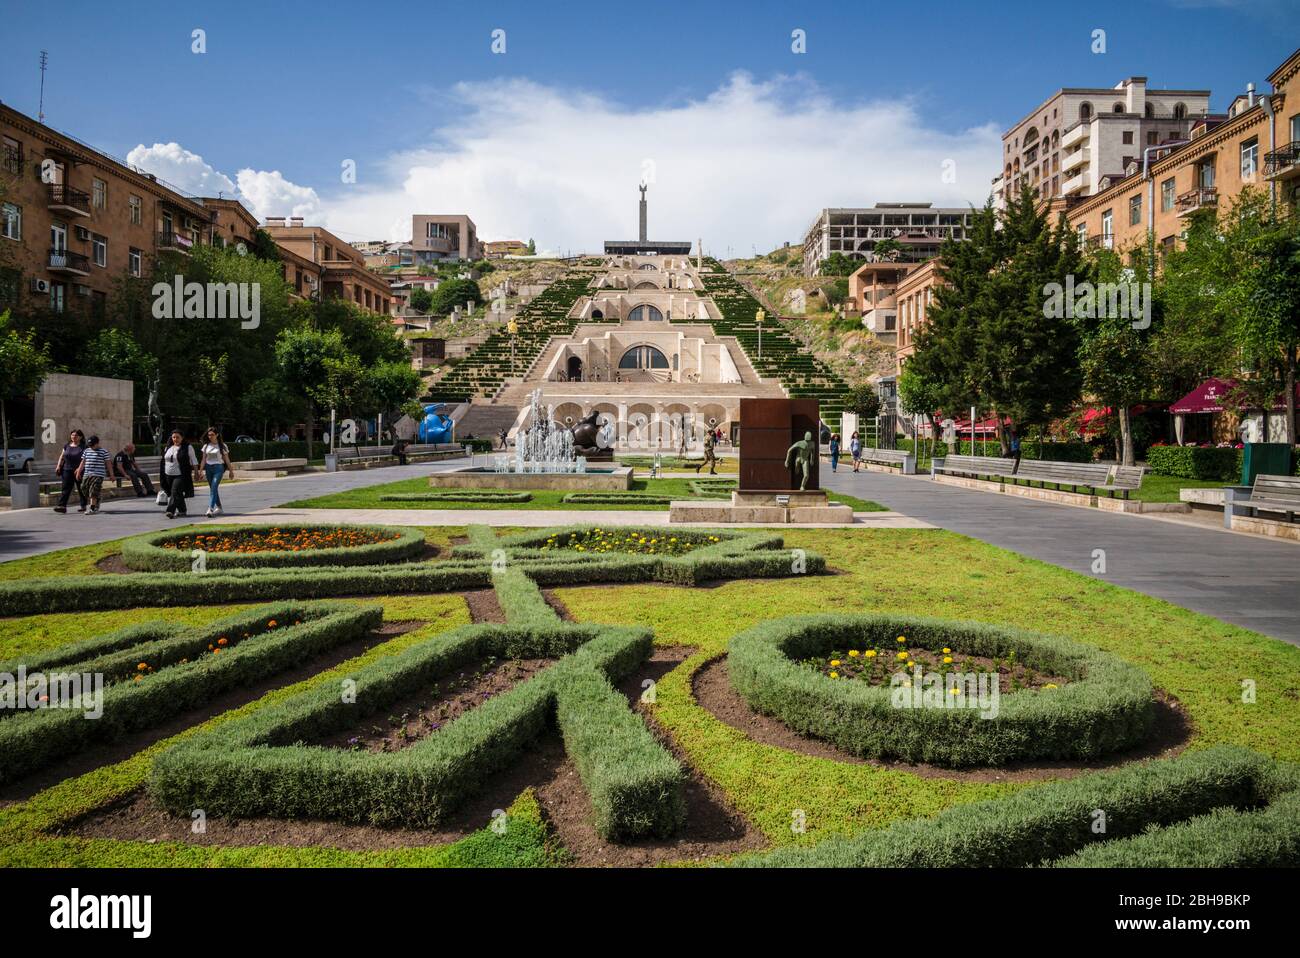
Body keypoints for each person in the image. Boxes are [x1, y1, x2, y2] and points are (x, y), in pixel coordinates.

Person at [160, 430, 198, 519]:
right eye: (173, 437)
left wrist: (196, 472)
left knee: (175, 491)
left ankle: (170, 510)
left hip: (180, 474)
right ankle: (182, 510)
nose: (175, 439)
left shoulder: (188, 447)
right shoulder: (168, 447)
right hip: (168, 474)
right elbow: (163, 461)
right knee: (177, 493)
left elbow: (194, 460)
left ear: (182, 438)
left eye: (177, 437)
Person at [199, 428, 235, 517]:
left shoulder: (222, 446)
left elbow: (226, 459)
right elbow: (203, 459)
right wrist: (200, 471)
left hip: (218, 468)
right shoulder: (206, 446)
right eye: (209, 435)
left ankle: (210, 508)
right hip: (208, 468)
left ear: (217, 435)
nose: (210, 436)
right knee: (213, 489)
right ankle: (219, 508)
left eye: (212, 435)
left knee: (214, 487)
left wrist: (231, 471)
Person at [75, 435, 115, 514]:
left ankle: (92, 508)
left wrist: (111, 474)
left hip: (98, 474)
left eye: (93, 445)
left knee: (93, 490)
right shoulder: (87, 451)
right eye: (90, 445)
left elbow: (108, 464)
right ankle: (97, 498)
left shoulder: (104, 451)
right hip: (87, 473)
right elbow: (83, 462)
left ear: (97, 443)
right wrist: (79, 471)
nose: (92, 447)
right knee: (83, 488)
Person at [53, 429, 88, 513]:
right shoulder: (67, 446)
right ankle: (62, 506)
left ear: (80, 437)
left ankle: (83, 505)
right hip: (67, 469)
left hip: (79, 470)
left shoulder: (84, 447)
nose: (74, 437)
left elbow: (86, 459)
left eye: (76, 435)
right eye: (72, 435)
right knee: (65, 488)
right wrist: (58, 466)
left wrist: (80, 469)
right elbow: (62, 456)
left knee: (81, 488)